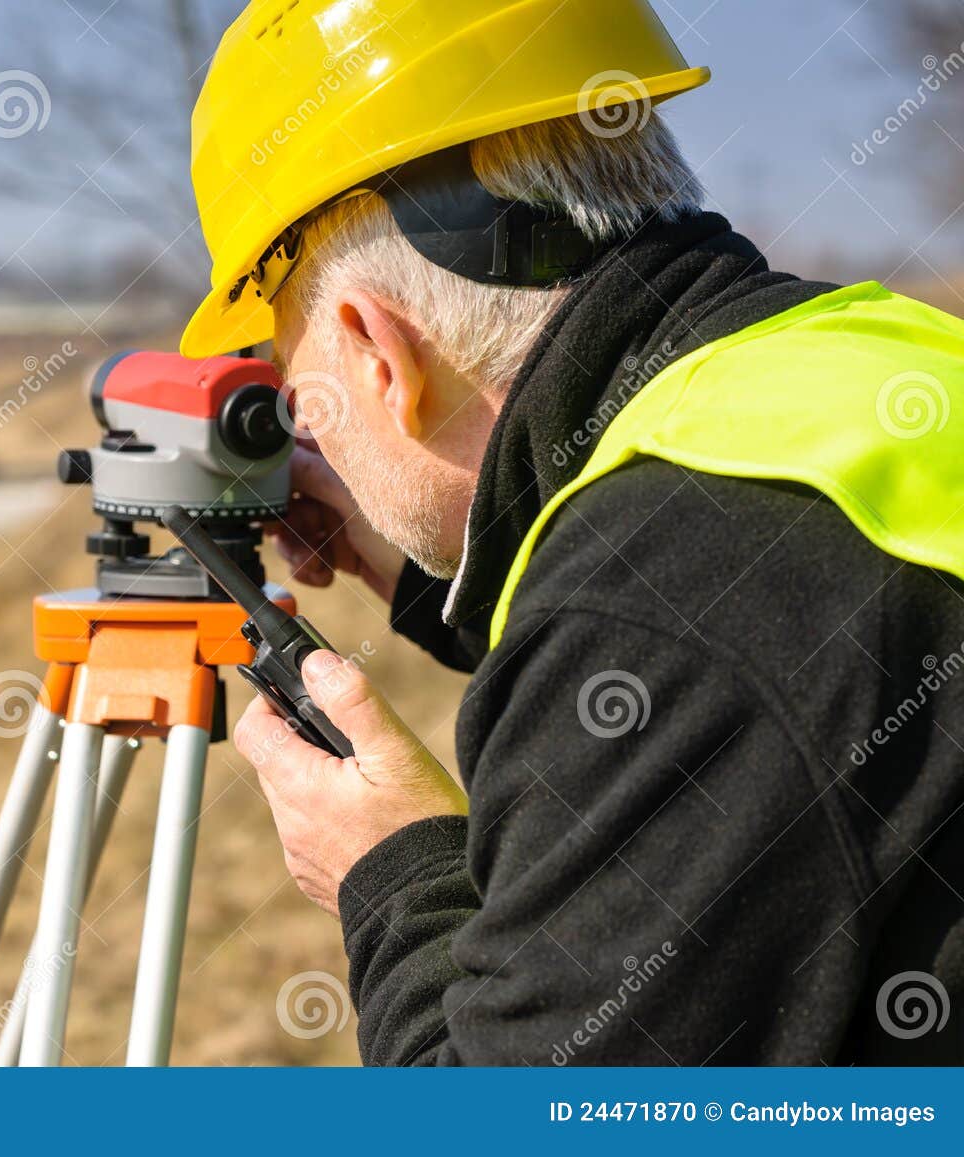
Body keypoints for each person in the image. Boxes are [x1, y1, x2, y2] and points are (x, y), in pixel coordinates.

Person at [184, 0, 964, 1064]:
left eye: (299, 383)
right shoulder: (870, 366)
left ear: (374, 350)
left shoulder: (673, 596)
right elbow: (779, 682)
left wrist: (391, 871)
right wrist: (407, 567)